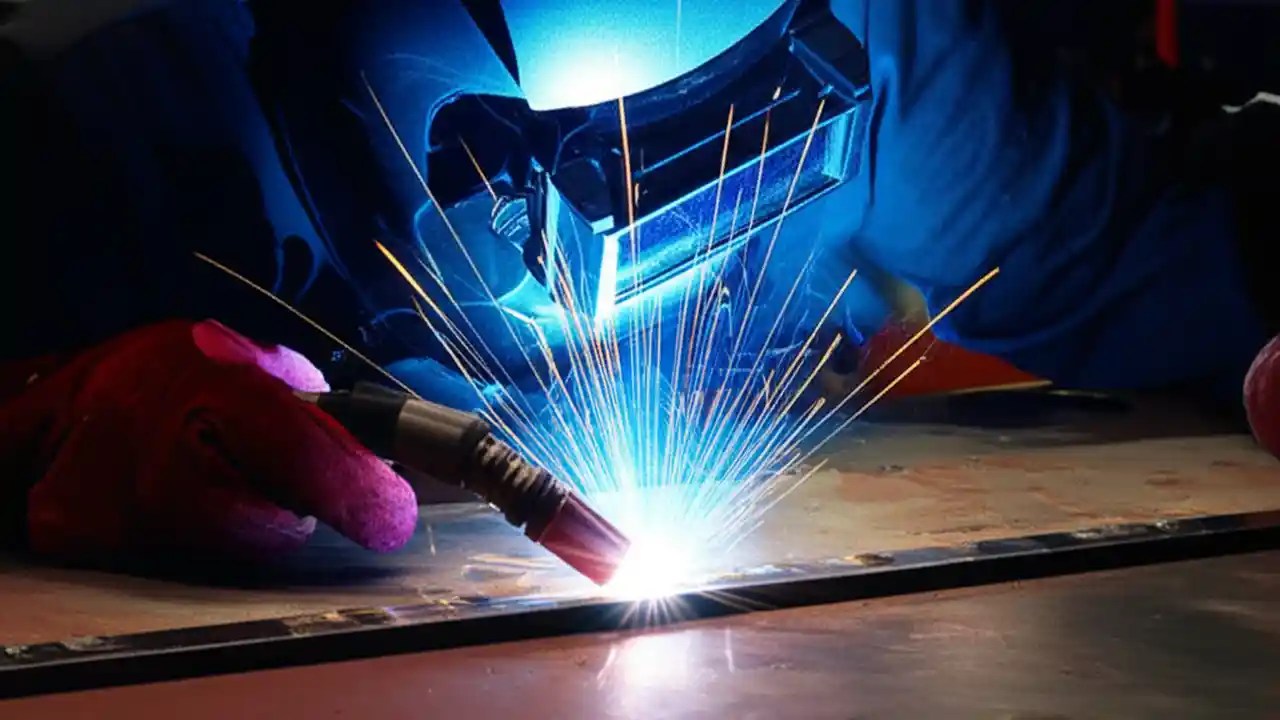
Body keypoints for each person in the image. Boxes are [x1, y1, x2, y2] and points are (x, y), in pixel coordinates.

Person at [1, 0, 1277, 570]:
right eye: (599, 173)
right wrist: (47, 398)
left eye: (727, 133)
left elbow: (1165, 258)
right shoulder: (137, 130)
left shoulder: (875, 59)